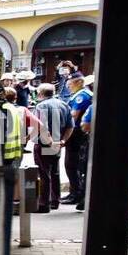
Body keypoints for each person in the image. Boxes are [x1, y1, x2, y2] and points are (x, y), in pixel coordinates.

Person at [32, 83, 71, 212]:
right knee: (55, 172)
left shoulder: (41, 106)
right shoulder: (64, 105)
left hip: (44, 143)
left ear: (41, 94)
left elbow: (40, 127)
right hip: (58, 143)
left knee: (44, 173)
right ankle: (55, 200)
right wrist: (63, 140)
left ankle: (44, 203)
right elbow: (71, 126)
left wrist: (49, 143)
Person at [60, 71, 93, 209]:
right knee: (72, 164)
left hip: (77, 134)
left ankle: (76, 193)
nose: (68, 86)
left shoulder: (82, 96)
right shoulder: (79, 95)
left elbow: (73, 116)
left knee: (72, 164)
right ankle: (75, 192)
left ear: (79, 82)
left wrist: (63, 132)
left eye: (70, 83)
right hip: (76, 133)